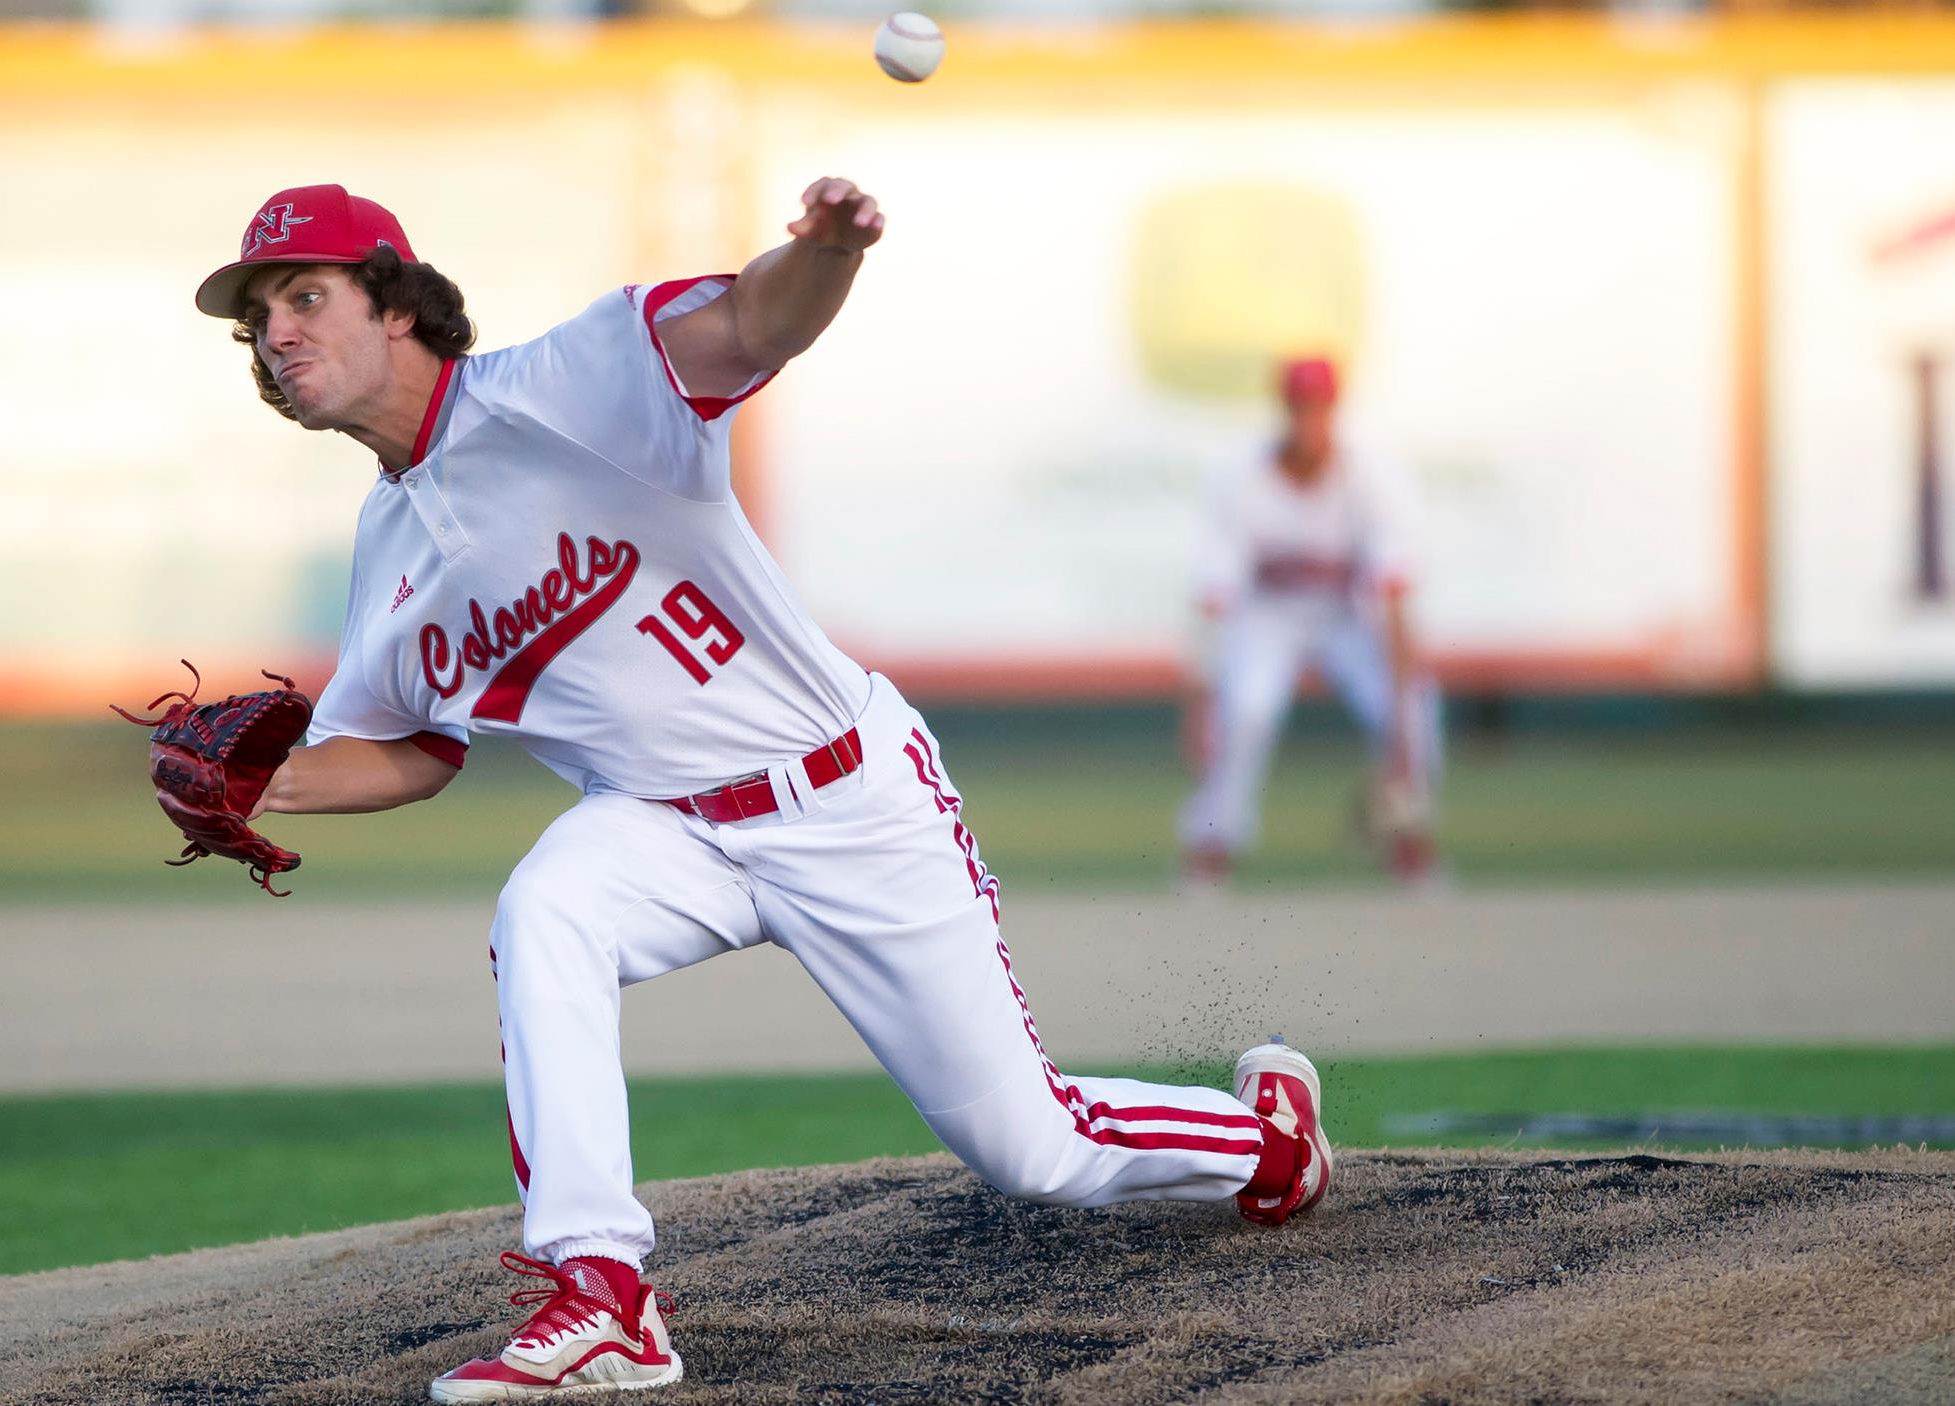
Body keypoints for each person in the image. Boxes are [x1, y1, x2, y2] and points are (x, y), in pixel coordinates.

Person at [192, 180, 1332, 1402]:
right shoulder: (389, 560)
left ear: (398, 302)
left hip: (848, 800)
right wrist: (260, 795)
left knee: (1032, 1150)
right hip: (666, 826)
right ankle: (601, 1291)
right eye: (259, 318)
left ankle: (1269, 1143)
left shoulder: (576, 383)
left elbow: (750, 327)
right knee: (548, 910)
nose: (280, 335)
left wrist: (826, 251)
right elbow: (417, 748)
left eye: (306, 297)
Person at [1176, 356, 1442, 888]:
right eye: (1299, 407)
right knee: (1246, 708)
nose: (1309, 419)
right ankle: (1212, 841)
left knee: (1413, 707)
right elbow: (1214, 599)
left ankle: (1408, 833)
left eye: (1319, 408)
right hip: (1266, 616)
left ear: (1334, 411)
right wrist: (1200, 702)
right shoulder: (1242, 477)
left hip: (1345, 617)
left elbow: (1392, 594)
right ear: (1284, 410)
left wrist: (1403, 693)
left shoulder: (1371, 477)